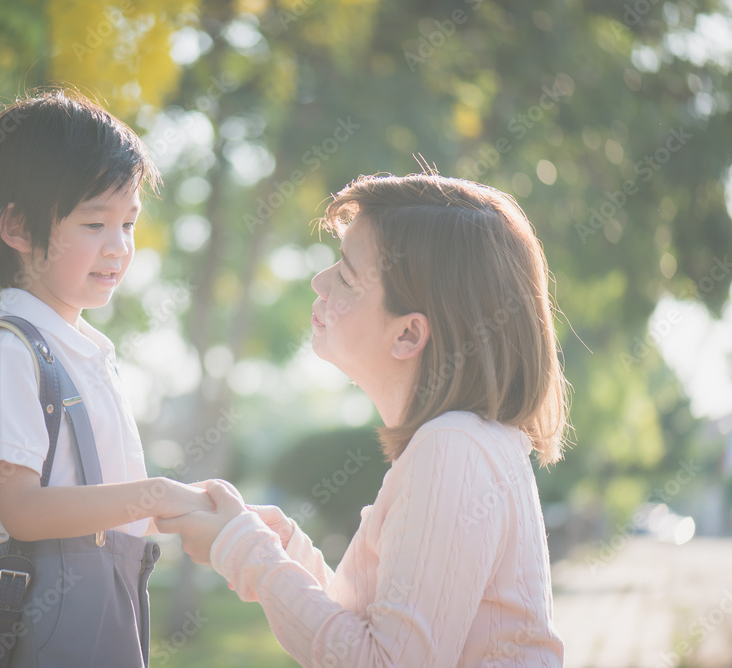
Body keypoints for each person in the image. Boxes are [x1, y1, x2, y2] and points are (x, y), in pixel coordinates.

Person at [159, 172, 569, 666]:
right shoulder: (458, 443)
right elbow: (377, 633)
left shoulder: (453, 449)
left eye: (348, 277)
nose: (319, 281)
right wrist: (288, 553)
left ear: (408, 335)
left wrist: (245, 552)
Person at [0, 90, 212, 668]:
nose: (118, 249)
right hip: (50, 629)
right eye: (95, 223)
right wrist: (155, 493)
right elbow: (21, 509)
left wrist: (198, 505)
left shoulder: (80, 351)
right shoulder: (10, 352)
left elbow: (108, 499)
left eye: (128, 224)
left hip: (102, 615)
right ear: (17, 227)